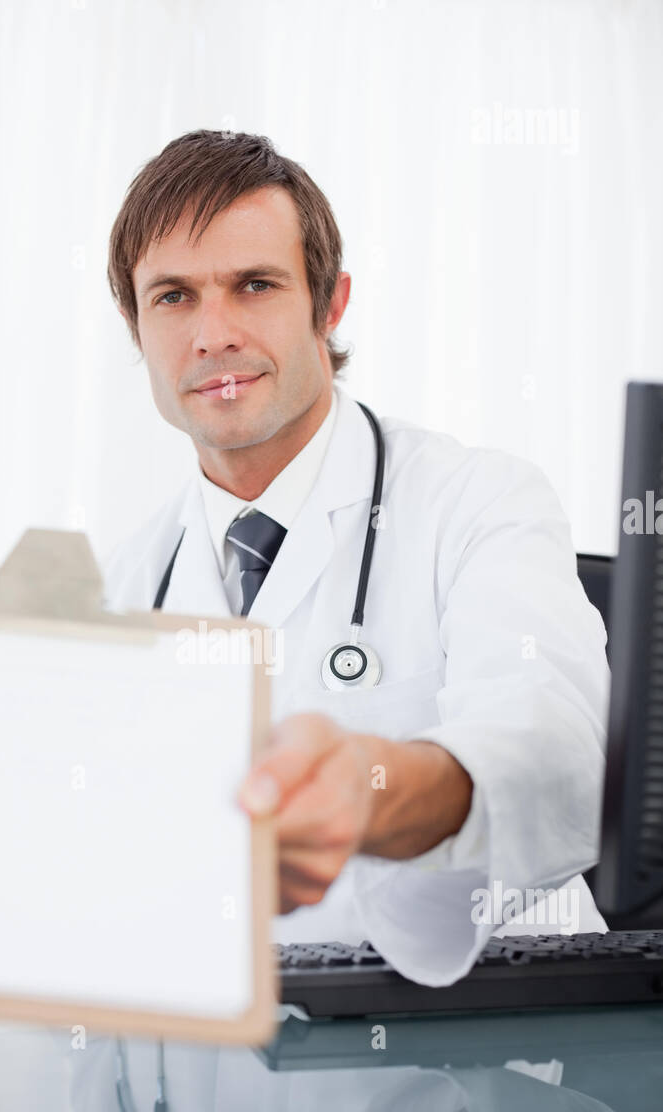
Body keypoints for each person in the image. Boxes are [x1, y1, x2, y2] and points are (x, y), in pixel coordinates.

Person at [101, 129, 609, 984]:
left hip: (489, 1061)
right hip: (215, 1069)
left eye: (254, 285)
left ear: (329, 305)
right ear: (137, 326)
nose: (212, 334)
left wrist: (371, 791)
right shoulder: (122, 586)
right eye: (174, 297)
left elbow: (557, 755)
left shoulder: (480, 502)